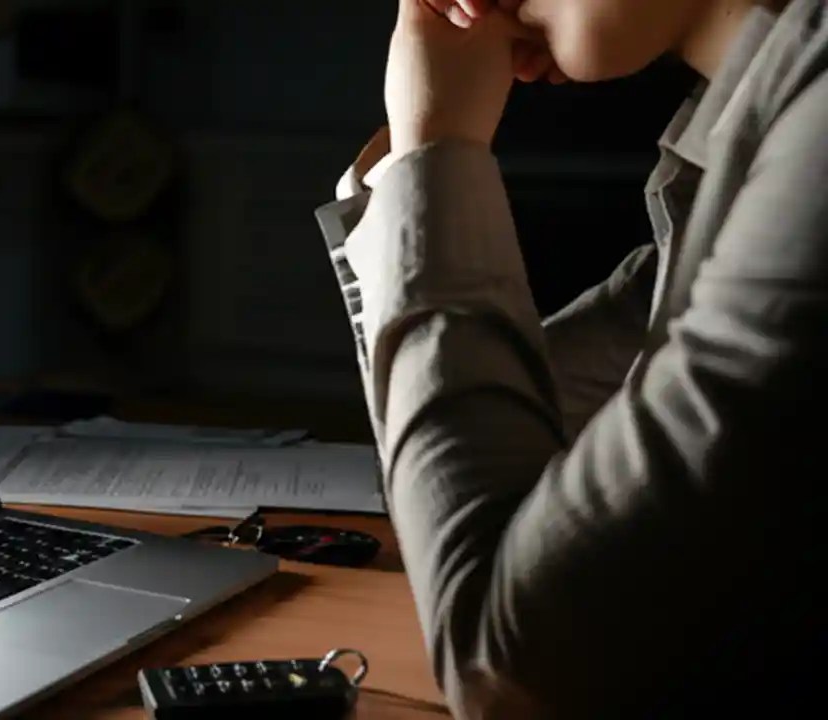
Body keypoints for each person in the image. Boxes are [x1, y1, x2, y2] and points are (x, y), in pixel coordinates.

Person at [314, 0, 826, 717]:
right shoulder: (762, 134)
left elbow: (512, 661)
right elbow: (466, 475)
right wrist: (413, 163)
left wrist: (436, 150)